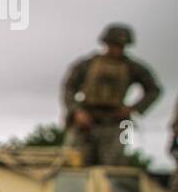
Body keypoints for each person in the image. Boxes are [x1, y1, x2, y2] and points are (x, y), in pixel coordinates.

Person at [61, 24, 161, 167]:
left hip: (114, 123)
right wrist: (76, 111)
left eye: (121, 46)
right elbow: (68, 88)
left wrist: (133, 108)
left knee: (113, 168)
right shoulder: (87, 64)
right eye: (113, 45)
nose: (117, 49)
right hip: (86, 121)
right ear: (106, 43)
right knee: (74, 165)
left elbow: (154, 90)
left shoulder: (133, 67)